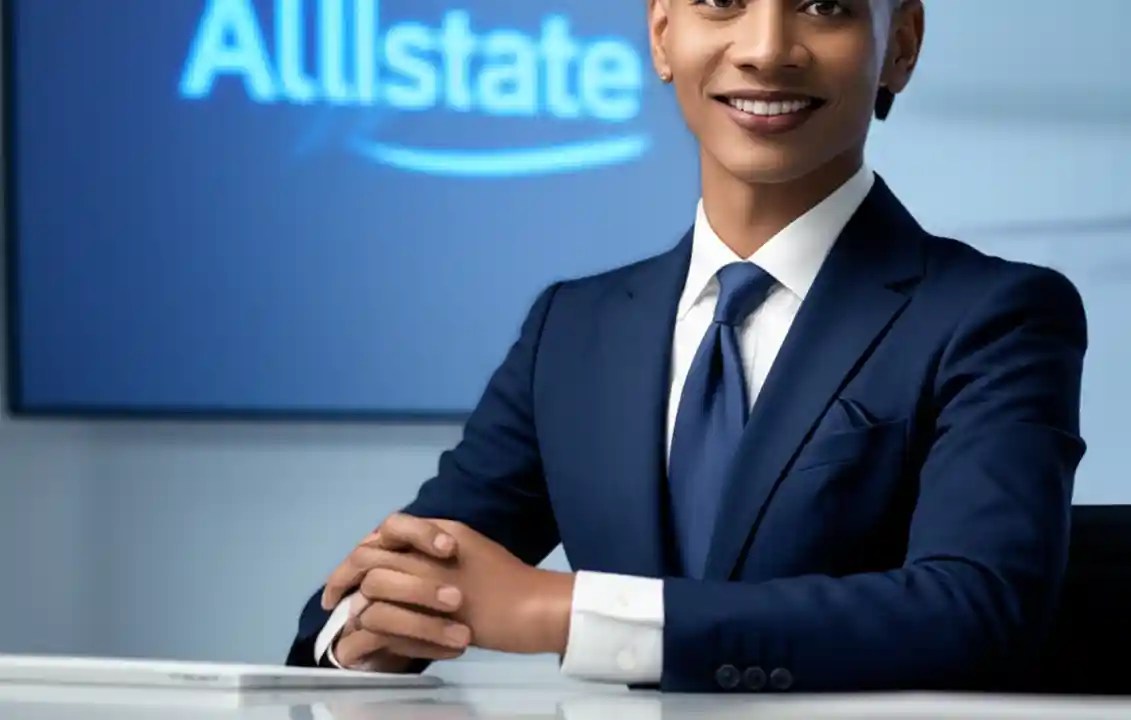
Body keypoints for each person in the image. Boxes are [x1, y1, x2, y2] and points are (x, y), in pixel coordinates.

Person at [286, 0, 1088, 693]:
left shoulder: (996, 315)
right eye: (719, 1)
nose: (768, 48)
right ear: (662, 34)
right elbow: (386, 583)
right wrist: (368, 634)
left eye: (826, 6)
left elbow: (977, 614)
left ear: (902, 46)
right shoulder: (574, 328)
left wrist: (557, 610)